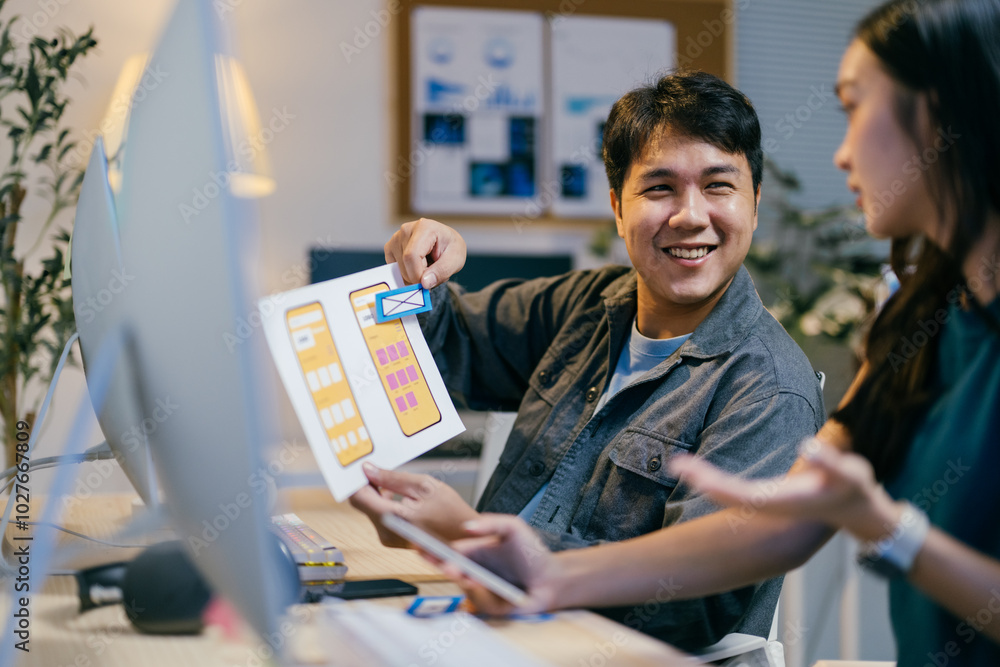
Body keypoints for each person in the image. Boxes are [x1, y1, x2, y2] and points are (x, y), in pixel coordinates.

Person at [437, 0, 1000, 664]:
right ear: (617, 206)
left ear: (943, 110)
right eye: (660, 189)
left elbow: (780, 550)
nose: (841, 153)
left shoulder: (770, 376)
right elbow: (782, 526)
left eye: (854, 106)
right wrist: (545, 573)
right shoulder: (917, 318)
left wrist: (889, 528)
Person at [350, 70, 825, 650]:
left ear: (755, 203)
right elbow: (451, 348)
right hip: (491, 626)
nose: (690, 216)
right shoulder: (585, 304)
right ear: (617, 208)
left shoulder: (771, 391)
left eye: (719, 186)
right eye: (659, 189)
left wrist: (466, 533)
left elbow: (692, 605)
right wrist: (418, 274)